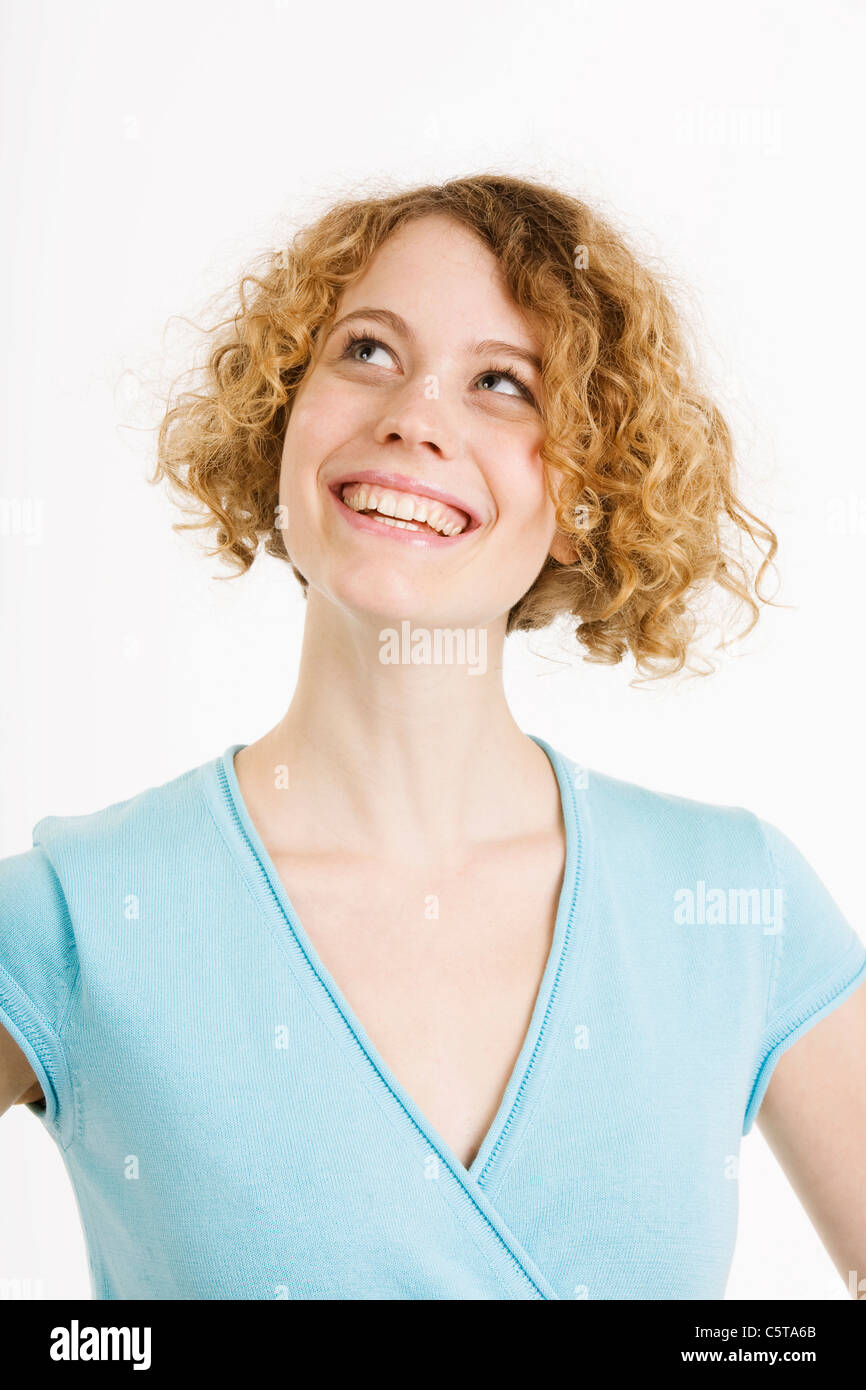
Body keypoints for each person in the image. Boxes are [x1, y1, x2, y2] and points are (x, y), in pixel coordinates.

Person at [1, 174, 864, 1301]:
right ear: (280, 415)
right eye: (365, 351)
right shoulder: (77, 915)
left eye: (502, 383)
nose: (413, 414)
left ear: (588, 491)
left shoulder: (735, 902)